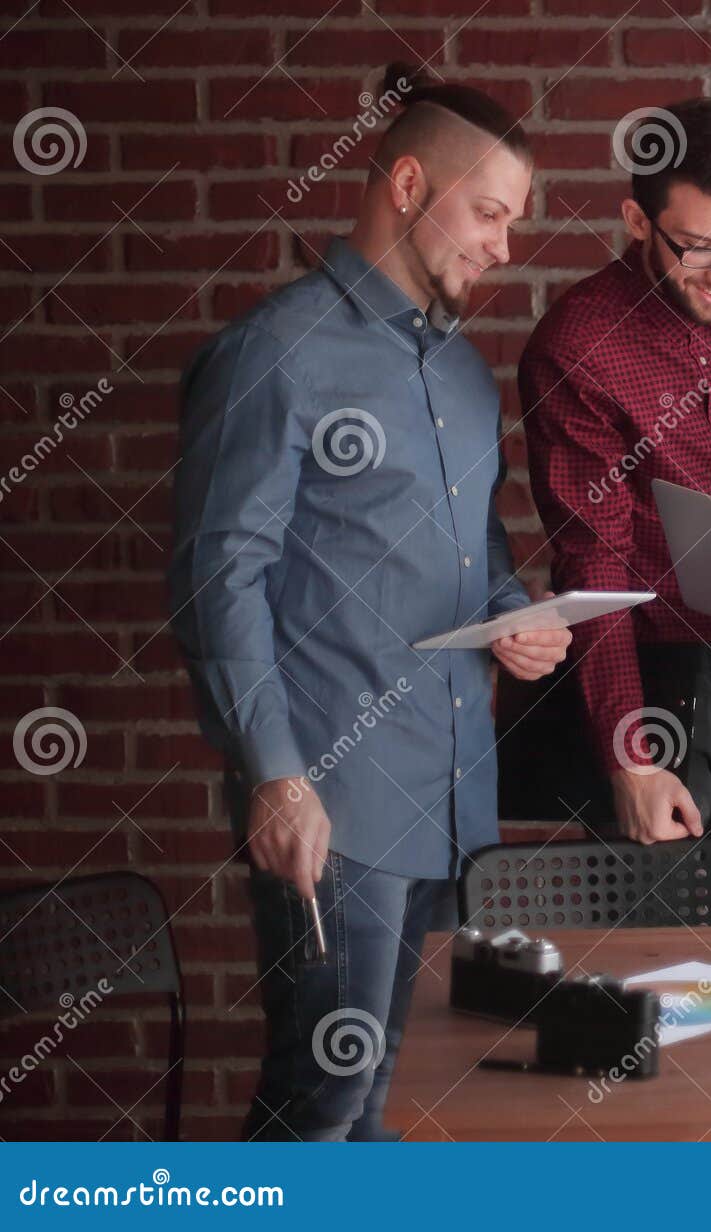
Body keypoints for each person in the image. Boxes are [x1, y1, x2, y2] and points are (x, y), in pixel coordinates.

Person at [170, 63, 569, 1140]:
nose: (501, 244)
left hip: (452, 800)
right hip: (334, 803)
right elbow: (217, 576)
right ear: (405, 184)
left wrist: (515, 613)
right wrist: (276, 779)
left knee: (397, 1096)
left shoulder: (465, 379)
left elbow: (479, 551)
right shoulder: (274, 354)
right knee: (323, 1095)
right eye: (487, 212)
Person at [519, 98, 711, 925]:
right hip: (659, 686)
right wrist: (630, 753)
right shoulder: (575, 346)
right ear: (636, 221)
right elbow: (592, 565)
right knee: (670, 964)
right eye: (698, 250)